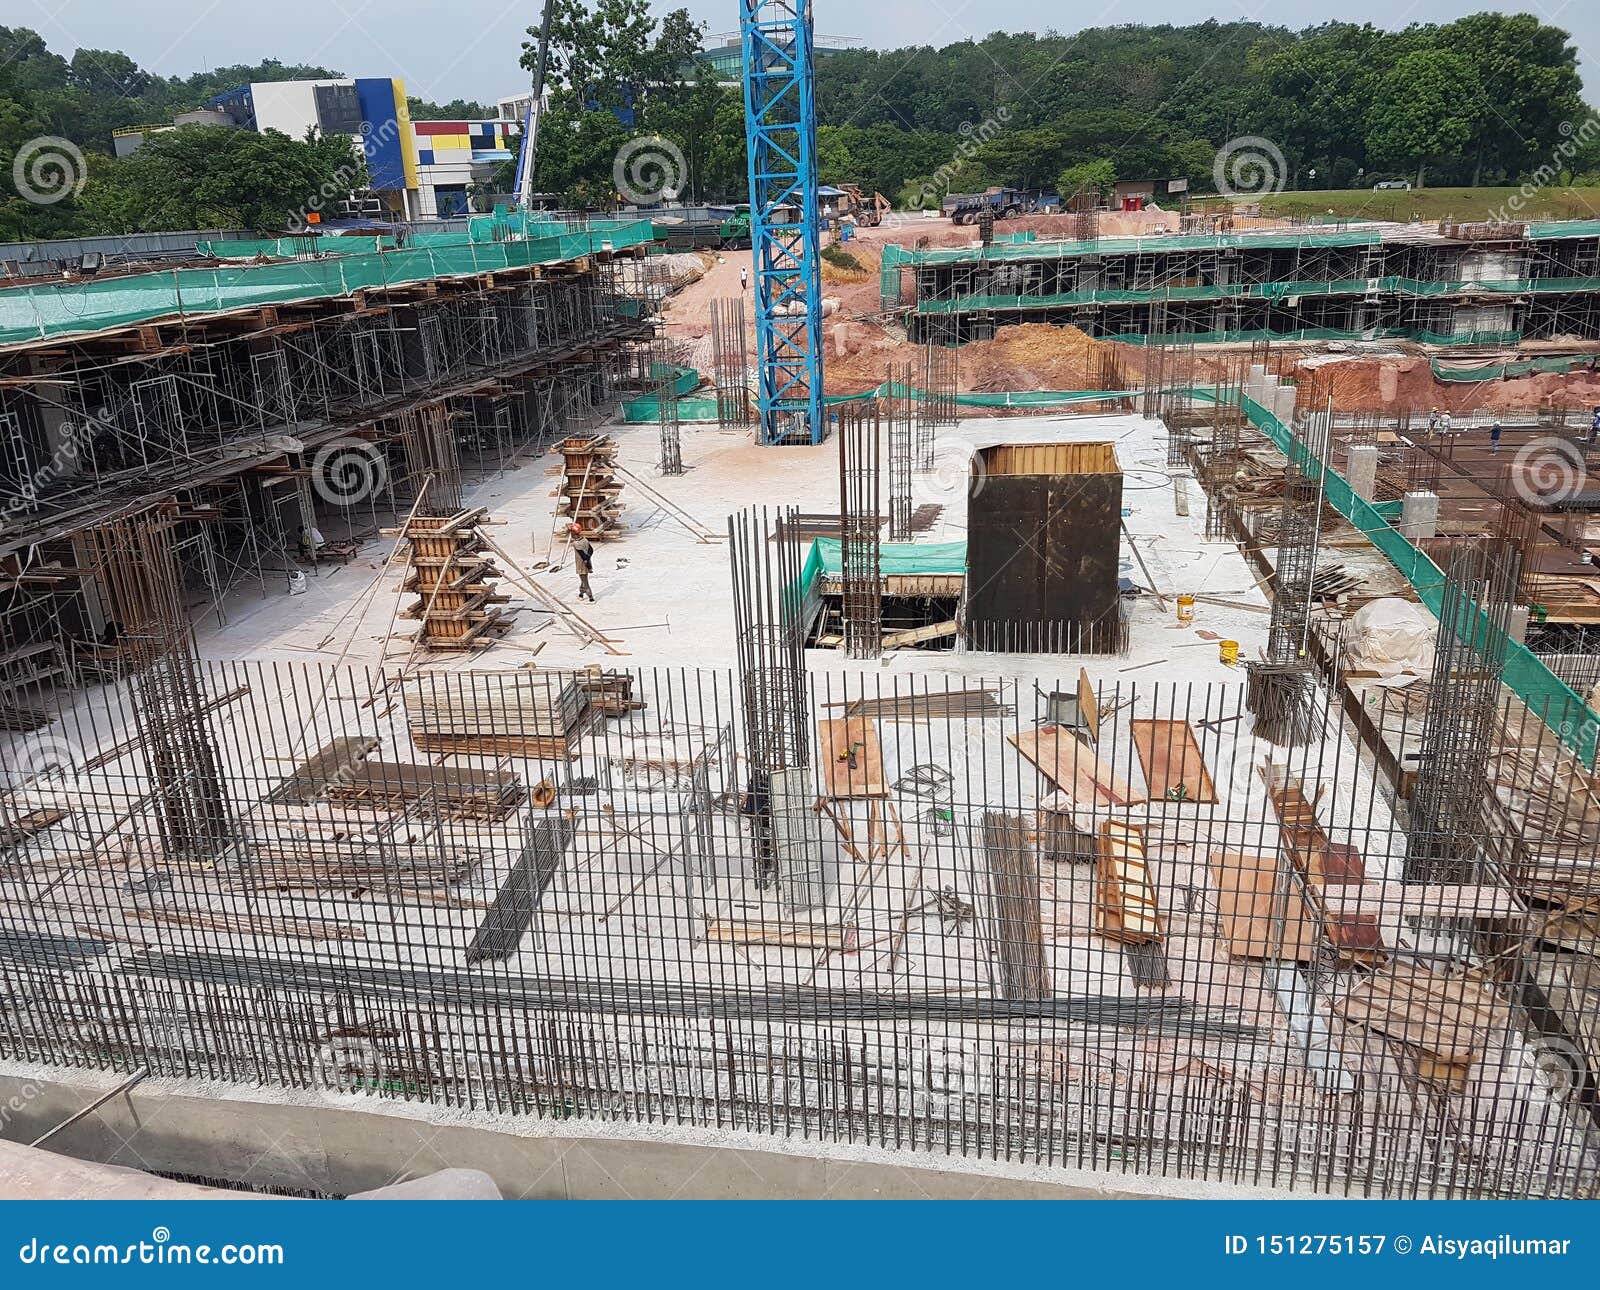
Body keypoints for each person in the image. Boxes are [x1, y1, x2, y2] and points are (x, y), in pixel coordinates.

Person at [569, 523, 595, 602]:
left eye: (571, 532)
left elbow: (582, 556)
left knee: (585, 582)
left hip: (582, 565)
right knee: (583, 580)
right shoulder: (584, 539)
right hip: (587, 563)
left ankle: (591, 598)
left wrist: (588, 565)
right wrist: (589, 563)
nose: (571, 534)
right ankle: (581, 594)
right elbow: (591, 550)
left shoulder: (576, 543)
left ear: (574, 533)